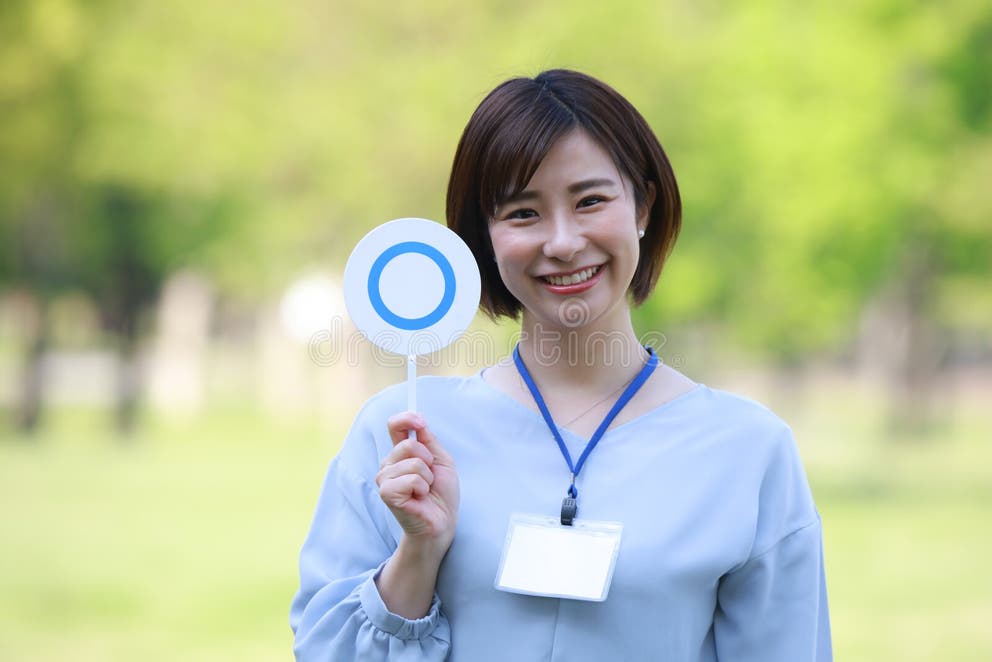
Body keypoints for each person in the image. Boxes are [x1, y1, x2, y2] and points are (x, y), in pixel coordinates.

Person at [290, 69, 832, 661]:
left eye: (590, 201)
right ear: (484, 238)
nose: (563, 242)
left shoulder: (747, 450)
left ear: (643, 205)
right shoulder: (404, 434)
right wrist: (418, 552)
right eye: (523, 213)